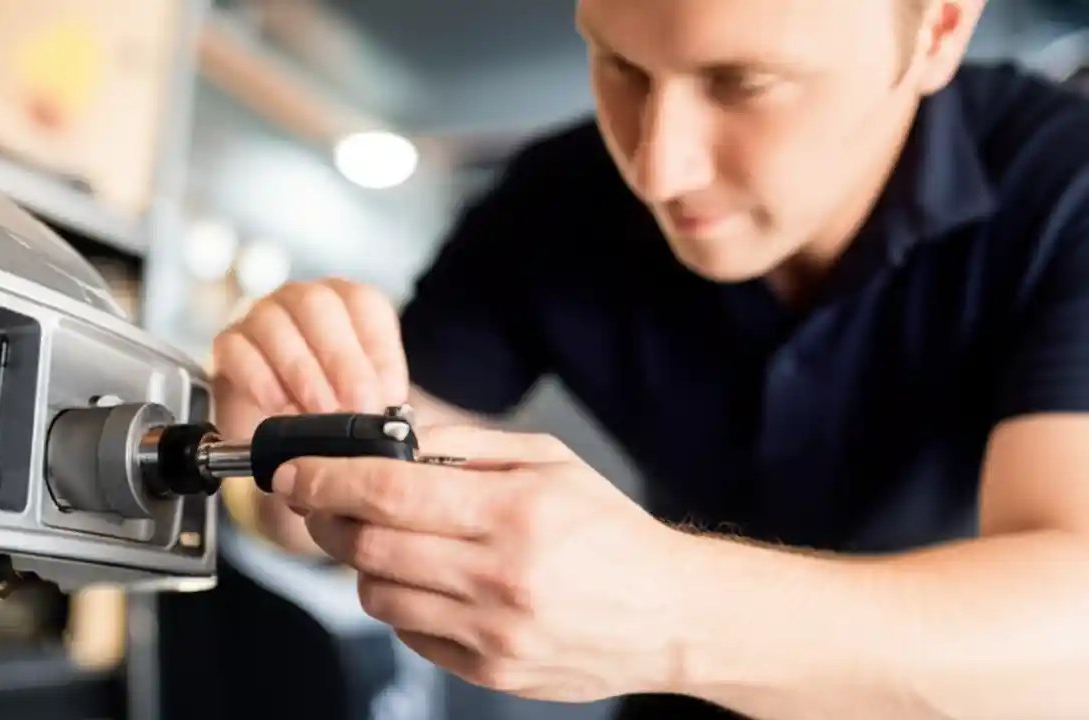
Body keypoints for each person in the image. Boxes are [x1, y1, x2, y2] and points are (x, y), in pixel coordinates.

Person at [213, 1, 1089, 717]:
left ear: (937, 29)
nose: (659, 167)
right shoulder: (552, 205)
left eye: (744, 82)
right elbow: (355, 486)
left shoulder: (1066, 190)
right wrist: (285, 448)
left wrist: (675, 609)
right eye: (620, 66)